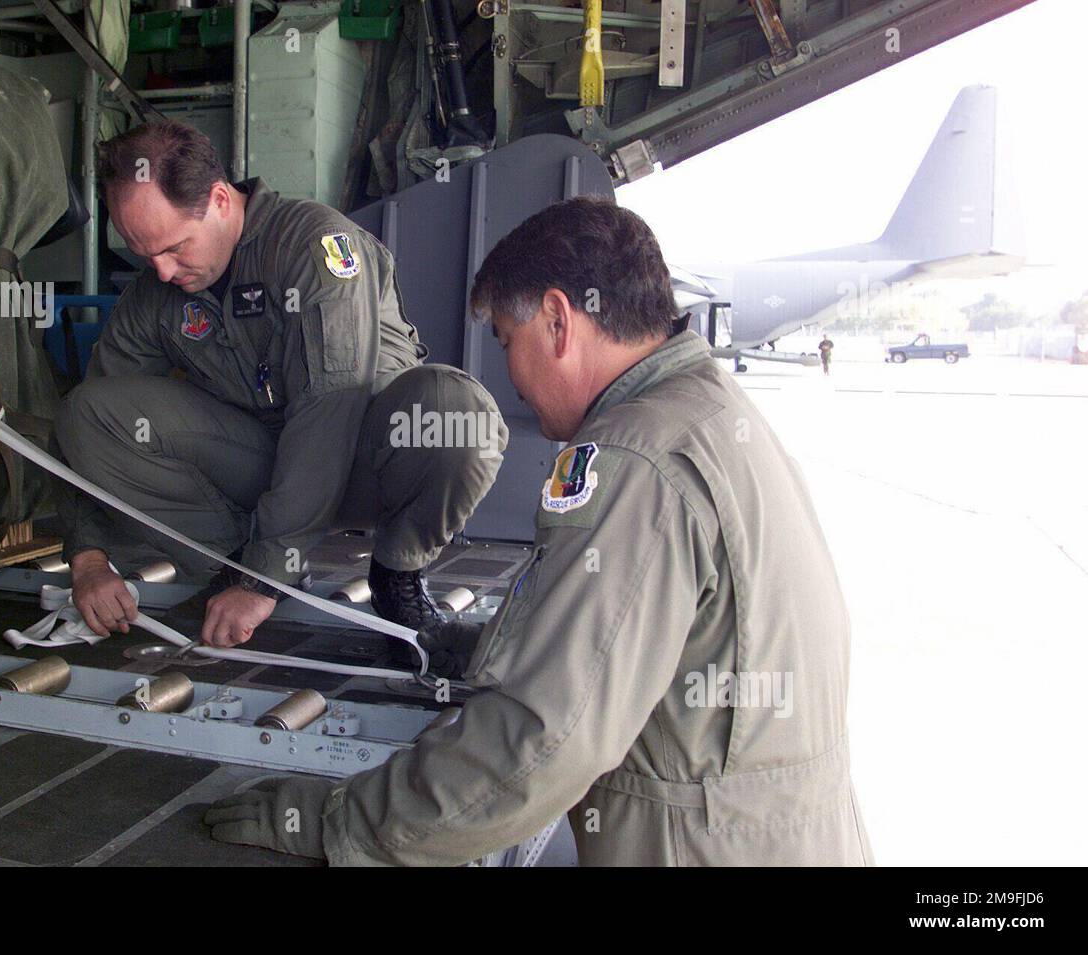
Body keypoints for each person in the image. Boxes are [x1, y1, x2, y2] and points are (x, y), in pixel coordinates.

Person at [204, 196, 872, 866]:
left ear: (557, 319)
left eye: (505, 339)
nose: (511, 376)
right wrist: (499, 647)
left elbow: (543, 741)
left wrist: (336, 823)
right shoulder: (707, 411)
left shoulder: (632, 460)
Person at [53, 121, 507, 649]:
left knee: (456, 415)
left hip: (364, 460)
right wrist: (88, 560)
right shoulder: (156, 293)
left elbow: (328, 411)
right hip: (262, 468)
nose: (160, 271)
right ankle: (233, 563)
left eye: (175, 247)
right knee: (87, 412)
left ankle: (396, 573)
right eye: (142, 253)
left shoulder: (314, 247)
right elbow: (85, 429)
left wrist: (263, 578)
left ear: (220, 199)